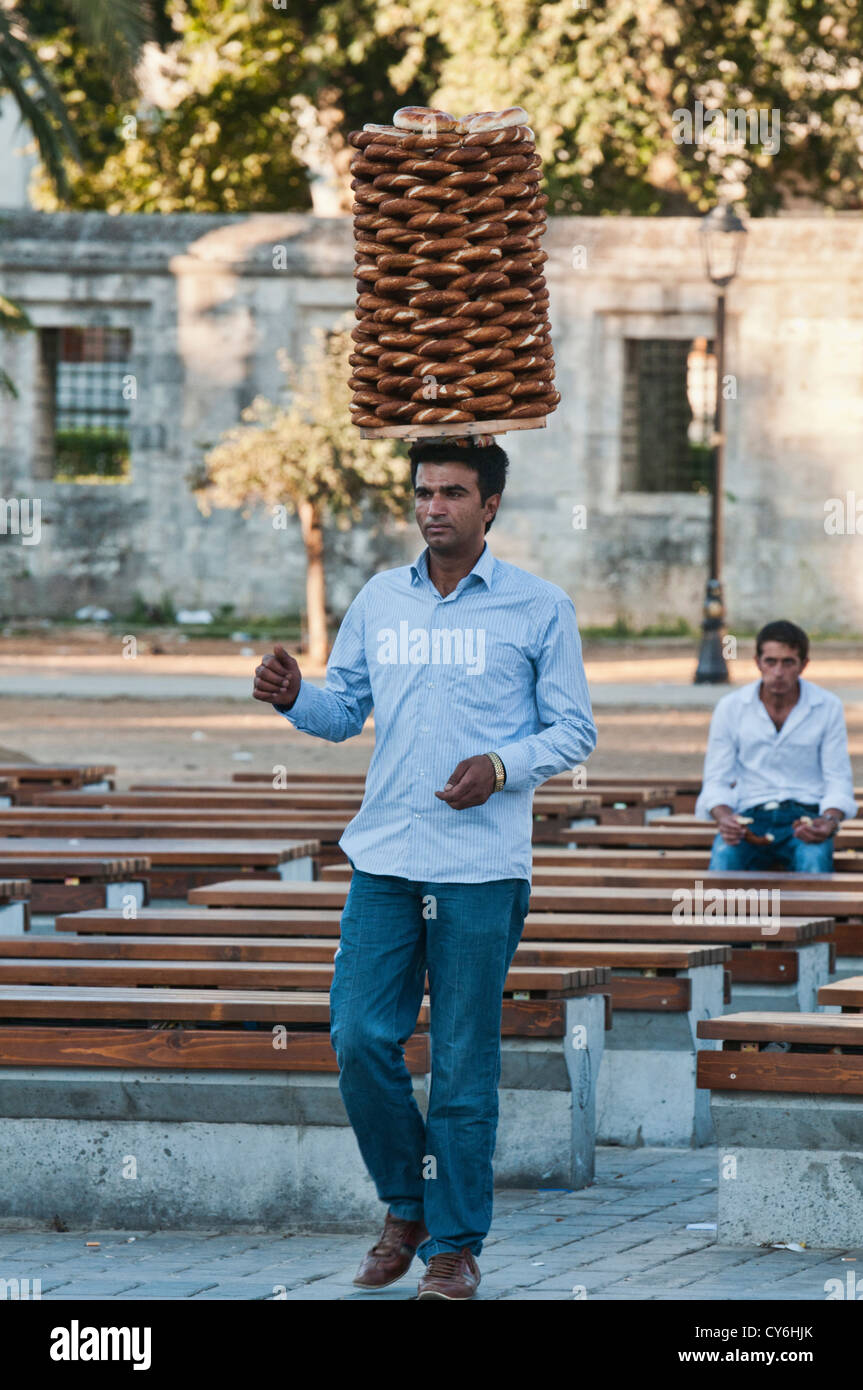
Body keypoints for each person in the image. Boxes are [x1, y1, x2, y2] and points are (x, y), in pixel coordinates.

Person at [253, 438, 596, 1300]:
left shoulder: (538, 608)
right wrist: (296, 696)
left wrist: (501, 765)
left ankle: (451, 1246)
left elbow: (573, 730)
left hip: (480, 870)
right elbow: (343, 713)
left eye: (452, 492)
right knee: (359, 1037)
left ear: (490, 508)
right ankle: (405, 1205)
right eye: (423, 492)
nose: (433, 506)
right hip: (385, 860)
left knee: (461, 1059)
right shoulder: (378, 599)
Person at [695, 619, 857, 871]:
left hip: (806, 816)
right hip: (749, 815)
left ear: (804, 665)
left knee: (813, 863)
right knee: (723, 862)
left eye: (788, 662)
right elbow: (716, 778)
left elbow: (838, 778)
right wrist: (725, 818)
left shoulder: (827, 706)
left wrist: (829, 820)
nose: (778, 672)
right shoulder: (731, 707)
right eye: (771, 661)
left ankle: (820, 912)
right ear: (757, 662)